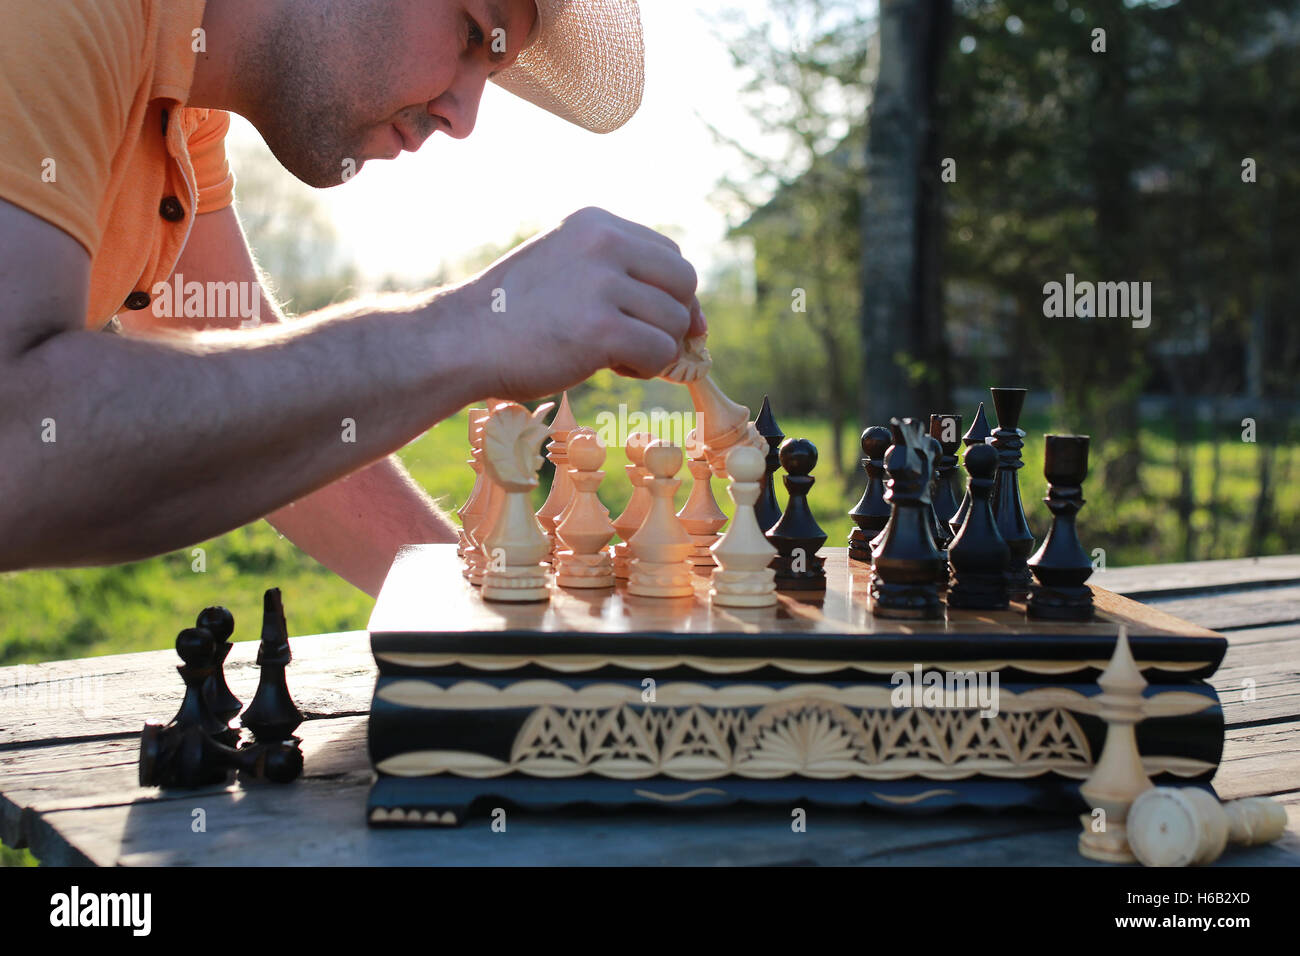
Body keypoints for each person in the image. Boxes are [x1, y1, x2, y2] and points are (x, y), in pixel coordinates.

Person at [0, 0, 703, 595]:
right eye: (469, 33)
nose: (464, 118)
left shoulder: (181, 117)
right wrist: (469, 333)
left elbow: (267, 413)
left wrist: (482, 602)